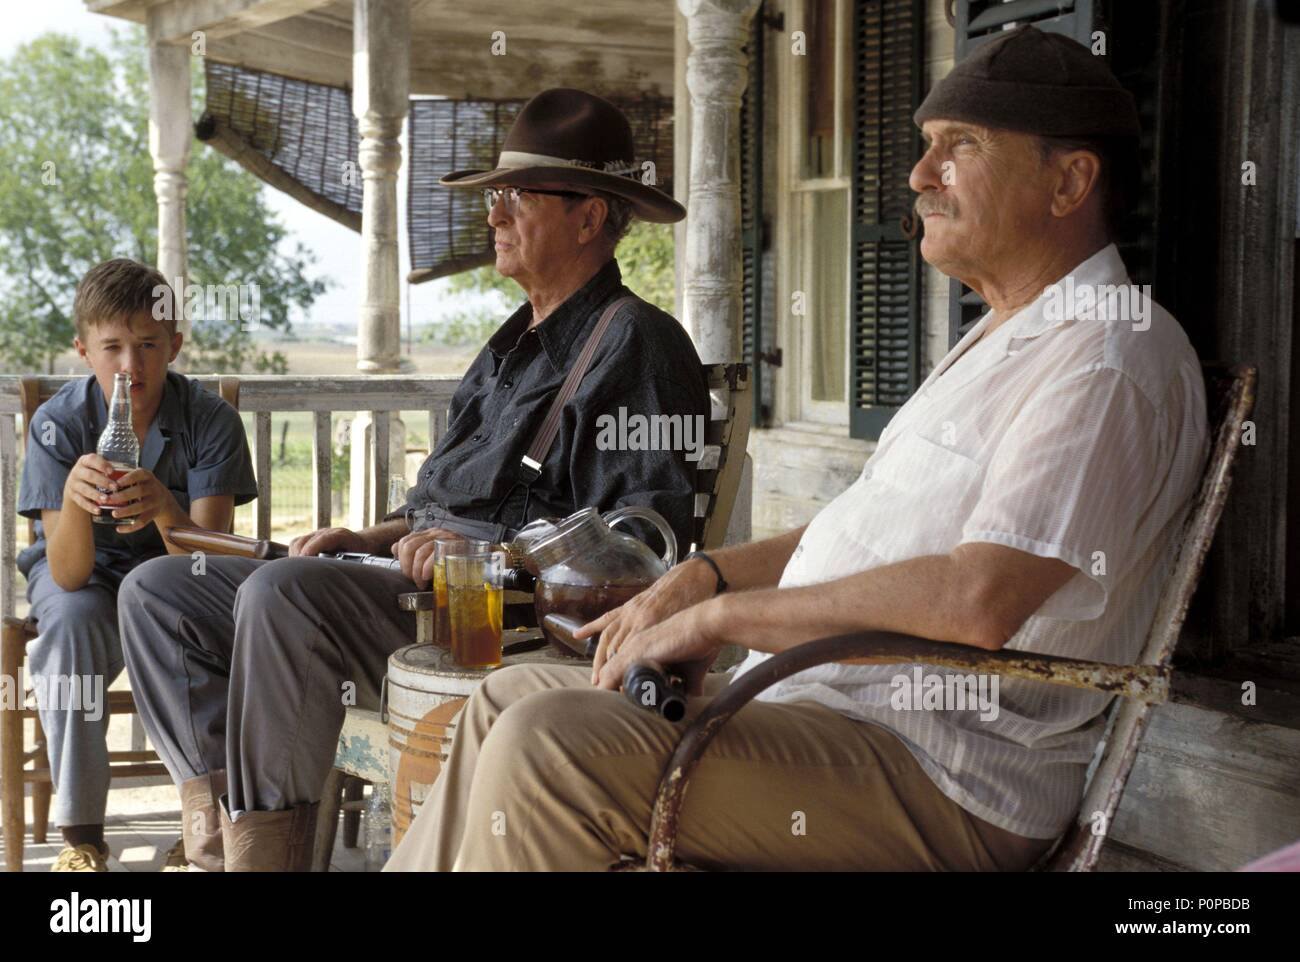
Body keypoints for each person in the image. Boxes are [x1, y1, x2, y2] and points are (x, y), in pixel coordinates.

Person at [386, 26, 1209, 872]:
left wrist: (721, 618)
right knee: (504, 697)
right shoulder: (1001, 342)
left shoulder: (1110, 357)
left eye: (961, 147)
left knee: (549, 746)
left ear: (1070, 181)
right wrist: (702, 577)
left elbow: (978, 599)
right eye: (926, 148)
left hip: (944, 772)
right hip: (830, 715)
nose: (921, 176)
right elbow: (852, 541)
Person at [118, 88, 708, 870]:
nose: (493, 216)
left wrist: (486, 557)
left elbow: (641, 548)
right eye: (495, 196)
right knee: (158, 592)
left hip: (505, 624)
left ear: (589, 217)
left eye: (515, 198)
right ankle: (219, 831)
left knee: (280, 594)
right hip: (410, 586)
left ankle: (267, 862)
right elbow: (442, 496)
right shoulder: (509, 346)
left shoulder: (638, 343)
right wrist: (366, 537)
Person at [17, 258, 256, 871]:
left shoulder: (211, 420)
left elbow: (208, 563)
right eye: (113, 347)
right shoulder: (57, 425)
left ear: (175, 345)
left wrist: (166, 510)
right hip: (84, 577)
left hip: (175, 575)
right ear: (83, 350)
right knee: (69, 625)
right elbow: (66, 576)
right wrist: (74, 498)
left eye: (148, 345)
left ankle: (201, 829)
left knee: (189, 612)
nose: (131, 366)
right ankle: (82, 837)